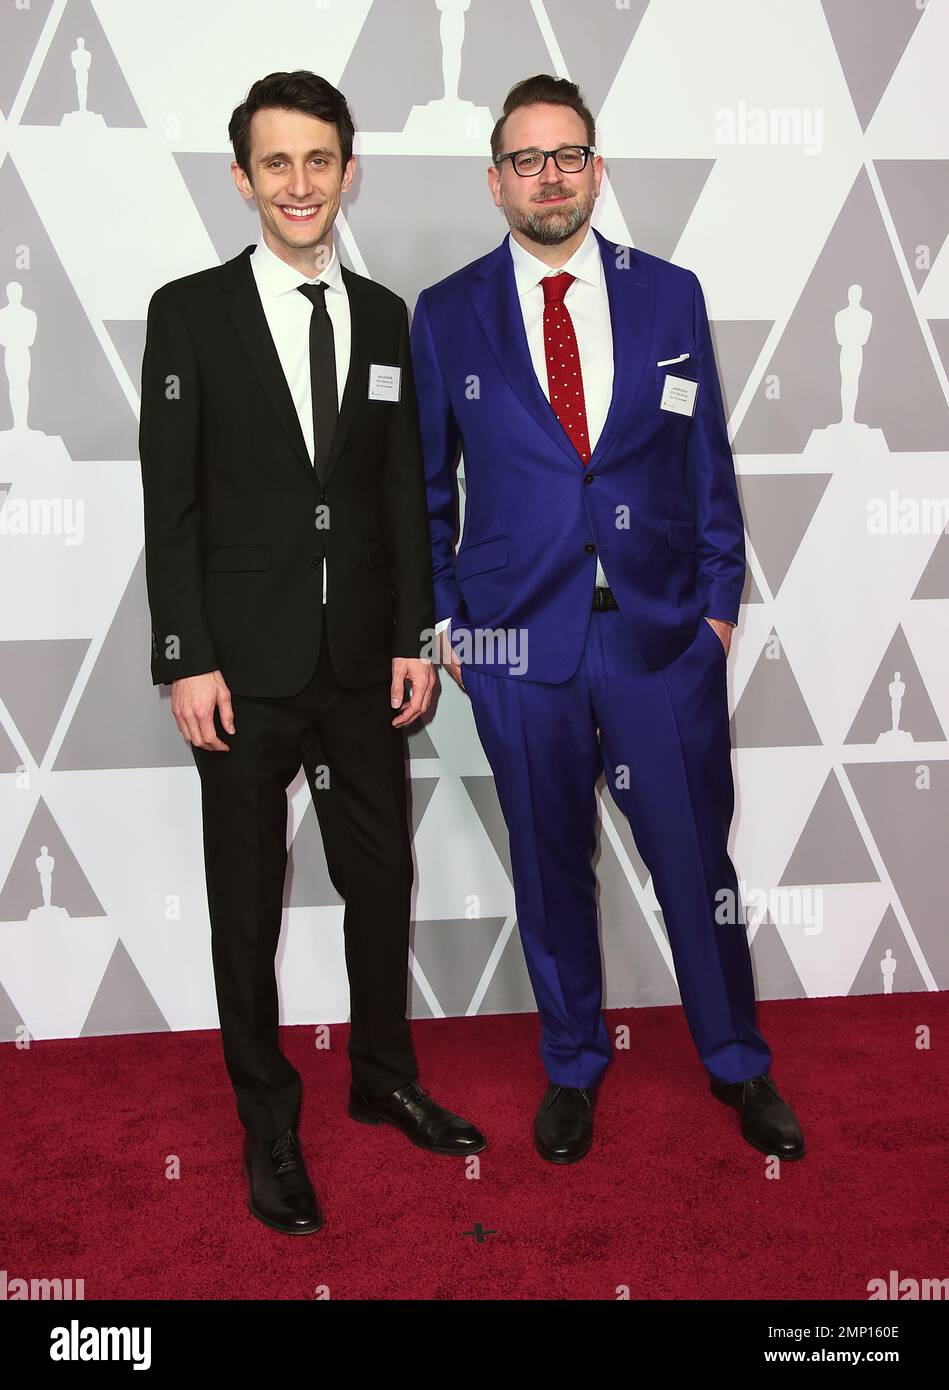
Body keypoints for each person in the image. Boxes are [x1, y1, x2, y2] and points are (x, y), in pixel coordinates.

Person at [411, 74, 804, 1165]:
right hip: (517, 649)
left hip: (659, 639)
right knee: (548, 869)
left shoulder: (668, 295)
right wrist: (454, 630)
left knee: (697, 868)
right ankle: (573, 1065)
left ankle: (737, 1061)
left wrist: (717, 611)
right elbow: (426, 490)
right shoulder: (445, 314)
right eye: (527, 159)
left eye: (568, 154)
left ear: (598, 166)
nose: (550, 175)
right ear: (496, 181)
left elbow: (703, 460)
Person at [139, 70, 485, 1236]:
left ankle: (383, 1078)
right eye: (275, 163)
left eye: (319, 160)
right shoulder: (187, 313)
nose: (299, 183)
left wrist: (411, 637)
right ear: (243, 179)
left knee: (380, 879)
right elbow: (170, 503)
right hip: (237, 669)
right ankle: (268, 1122)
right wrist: (184, 654)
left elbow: (402, 491)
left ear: (348, 171)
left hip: (356, 665)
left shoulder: (387, 317)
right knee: (248, 904)